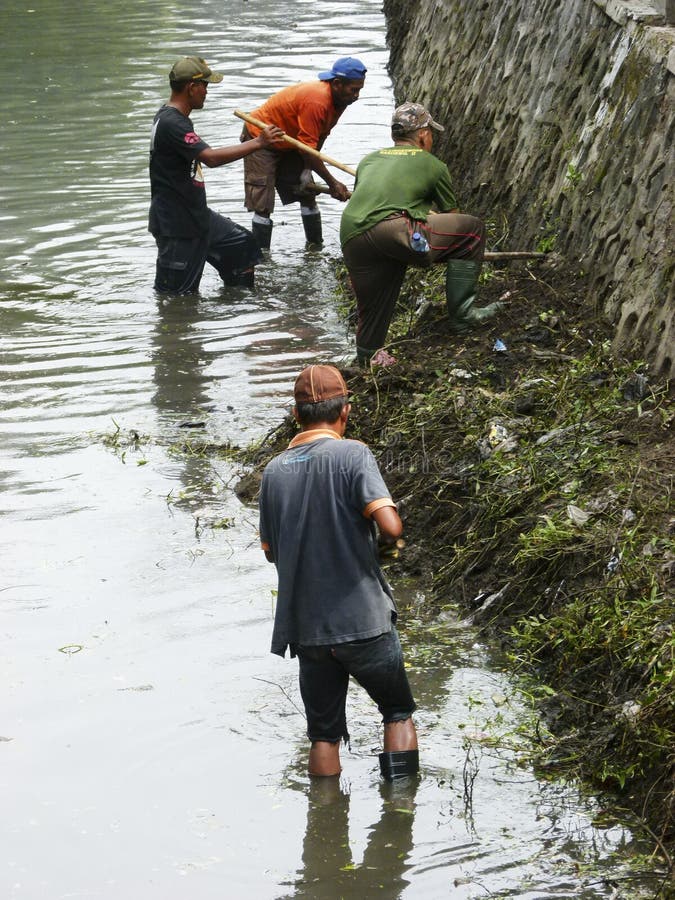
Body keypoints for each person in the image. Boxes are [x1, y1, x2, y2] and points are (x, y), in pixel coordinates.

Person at [259, 364, 419, 780]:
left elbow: (272, 553)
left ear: (296, 416)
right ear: (345, 411)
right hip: (364, 622)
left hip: (309, 631)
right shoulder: (353, 454)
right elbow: (391, 526)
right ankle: (400, 814)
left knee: (323, 736)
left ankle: (324, 826)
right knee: (397, 712)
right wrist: (387, 552)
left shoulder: (273, 472)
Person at [340, 102, 503, 366]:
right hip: (394, 232)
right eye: (431, 133)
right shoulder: (433, 164)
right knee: (472, 230)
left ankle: (368, 357)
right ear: (423, 135)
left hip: (352, 233)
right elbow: (453, 220)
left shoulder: (368, 161)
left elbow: (375, 206)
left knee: (377, 300)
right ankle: (463, 317)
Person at [149, 56, 283, 293]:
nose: (207, 92)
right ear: (192, 87)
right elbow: (210, 157)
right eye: (205, 86)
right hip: (178, 224)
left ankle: (237, 313)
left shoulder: (176, 119)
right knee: (177, 296)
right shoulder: (172, 123)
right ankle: (177, 325)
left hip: (197, 216)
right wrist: (259, 142)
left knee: (242, 246)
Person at [240, 57, 367, 250]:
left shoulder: (340, 100)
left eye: (360, 90)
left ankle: (315, 248)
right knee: (262, 202)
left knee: (307, 192)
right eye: (354, 90)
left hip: (291, 141)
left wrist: (307, 169)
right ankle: (260, 261)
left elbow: (317, 140)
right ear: (337, 84)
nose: (357, 96)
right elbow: (307, 149)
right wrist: (333, 183)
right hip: (262, 137)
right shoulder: (317, 101)